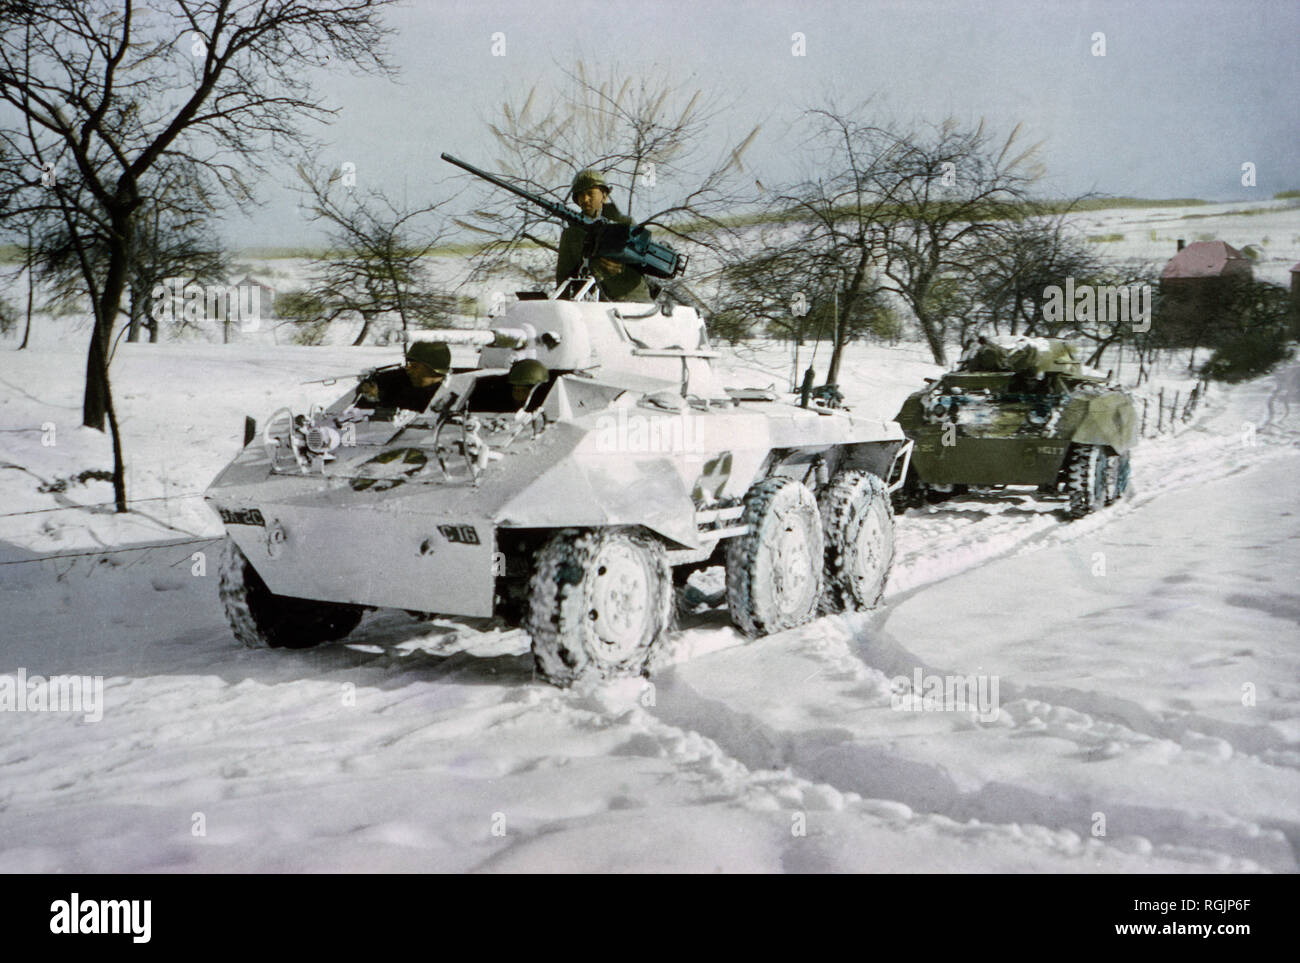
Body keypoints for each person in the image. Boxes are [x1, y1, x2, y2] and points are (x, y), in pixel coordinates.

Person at [555, 169, 653, 303]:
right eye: (580, 195)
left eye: (590, 193)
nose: (585, 199)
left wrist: (620, 268)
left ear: (604, 196)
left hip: (633, 297)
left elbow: (646, 262)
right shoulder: (571, 235)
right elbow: (563, 277)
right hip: (597, 302)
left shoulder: (624, 224)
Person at [355, 340, 450, 412]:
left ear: (433, 371)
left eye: (415, 366)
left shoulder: (451, 391)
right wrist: (372, 396)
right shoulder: (394, 380)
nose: (408, 369)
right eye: (408, 364)